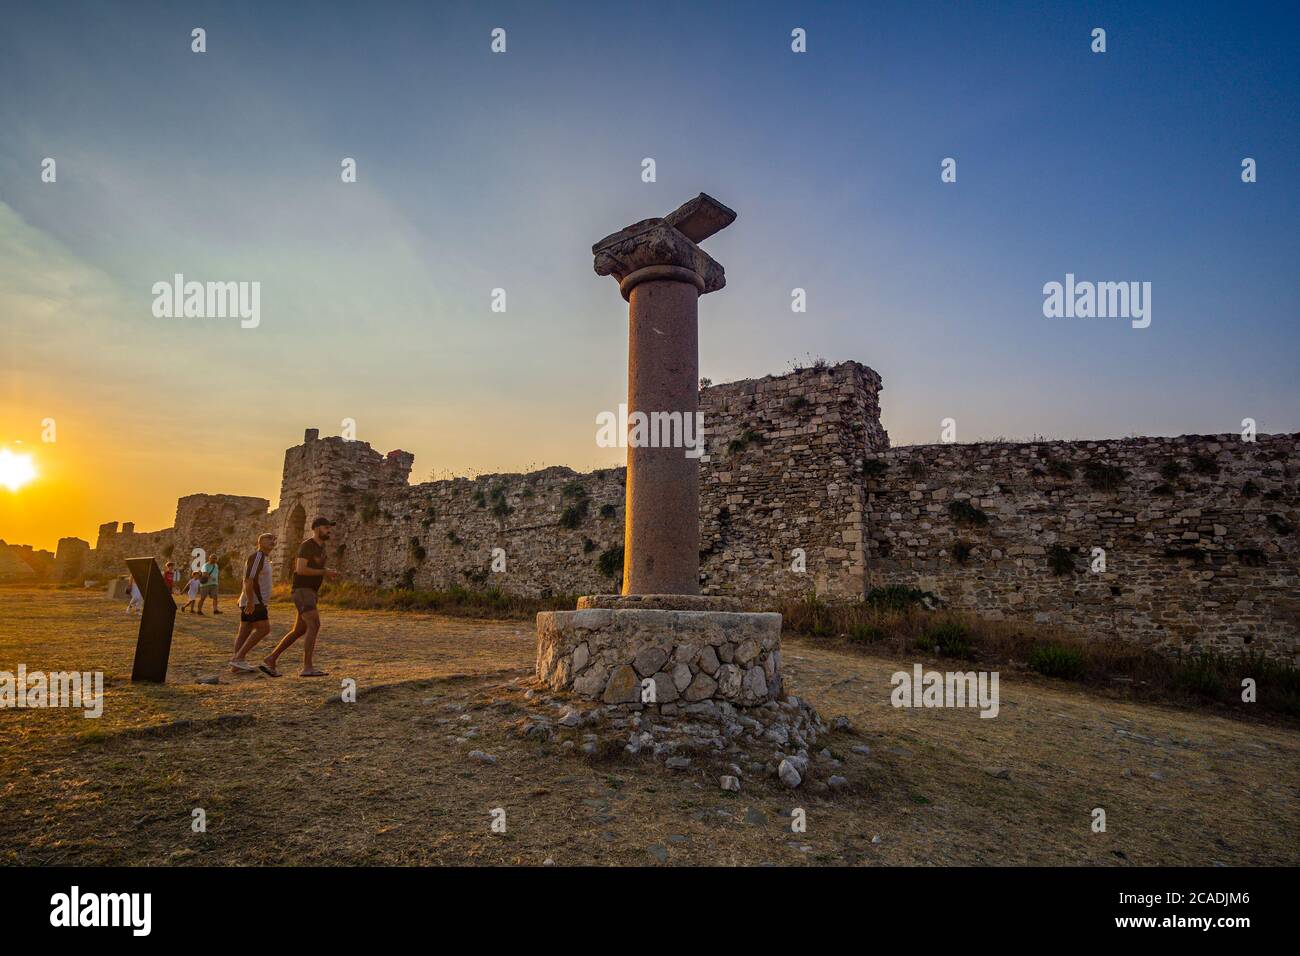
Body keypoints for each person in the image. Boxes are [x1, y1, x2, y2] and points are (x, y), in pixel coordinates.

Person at [260, 517, 337, 678]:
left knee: (299, 629)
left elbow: (316, 568)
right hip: (303, 590)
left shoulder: (321, 548)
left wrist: (327, 571)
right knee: (314, 625)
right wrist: (324, 572)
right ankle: (307, 667)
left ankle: (271, 658)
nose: (329, 530)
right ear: (315, 528)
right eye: (325, 527)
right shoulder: (307, 546)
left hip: (311, 592)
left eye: (329, 528)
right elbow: (301, 569)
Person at [230, 533, 276, 673]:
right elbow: (249, 580)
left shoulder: (265, 559)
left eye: (274, 539)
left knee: (245, 630)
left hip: (253, 600)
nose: (273, 541)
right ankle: (239, 658)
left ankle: (236, 663)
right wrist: (250, 601)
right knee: (264, 629)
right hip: (255, 601)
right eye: (269, 538)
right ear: (260, 541)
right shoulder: (258, 557)